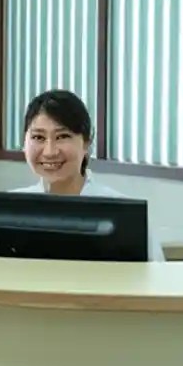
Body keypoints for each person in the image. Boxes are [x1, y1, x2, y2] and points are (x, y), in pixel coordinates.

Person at [12, 89, 163, 261]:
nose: (50, 152)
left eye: (62, 136)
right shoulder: (9, 209)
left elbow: (156, 280)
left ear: (86, 144)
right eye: (38, 137)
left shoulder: (123, 215)